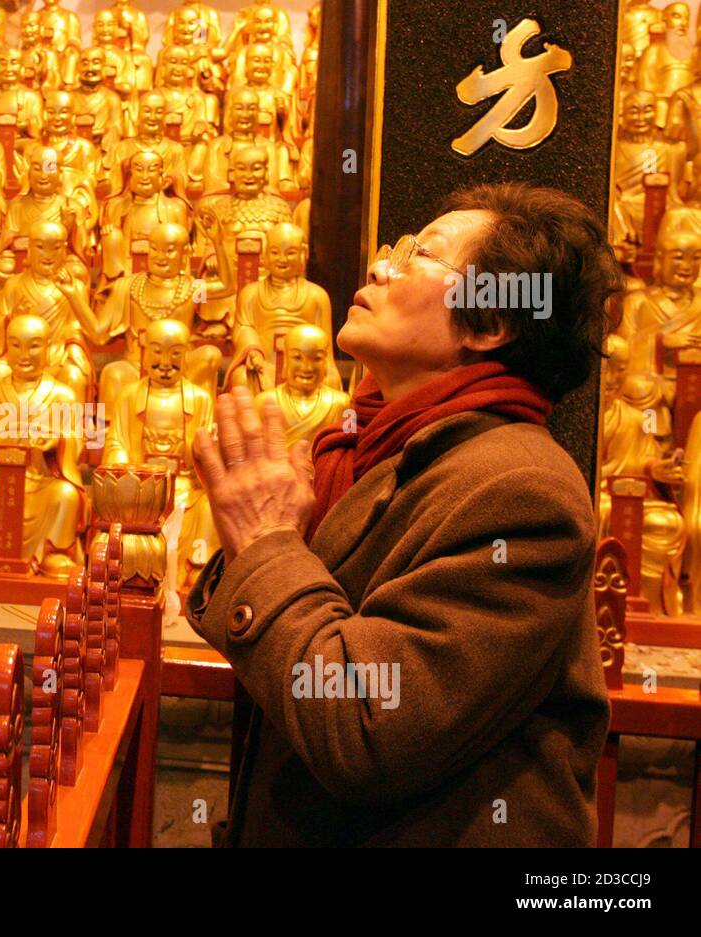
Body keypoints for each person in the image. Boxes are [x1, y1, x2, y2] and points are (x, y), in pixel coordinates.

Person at [188, 183, 617, 847]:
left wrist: (271, 543)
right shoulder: (378, 451)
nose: (380, 268)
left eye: (420, 257)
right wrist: (271, 538)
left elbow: (366, 726)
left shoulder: (524, 492)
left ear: (490, 322)